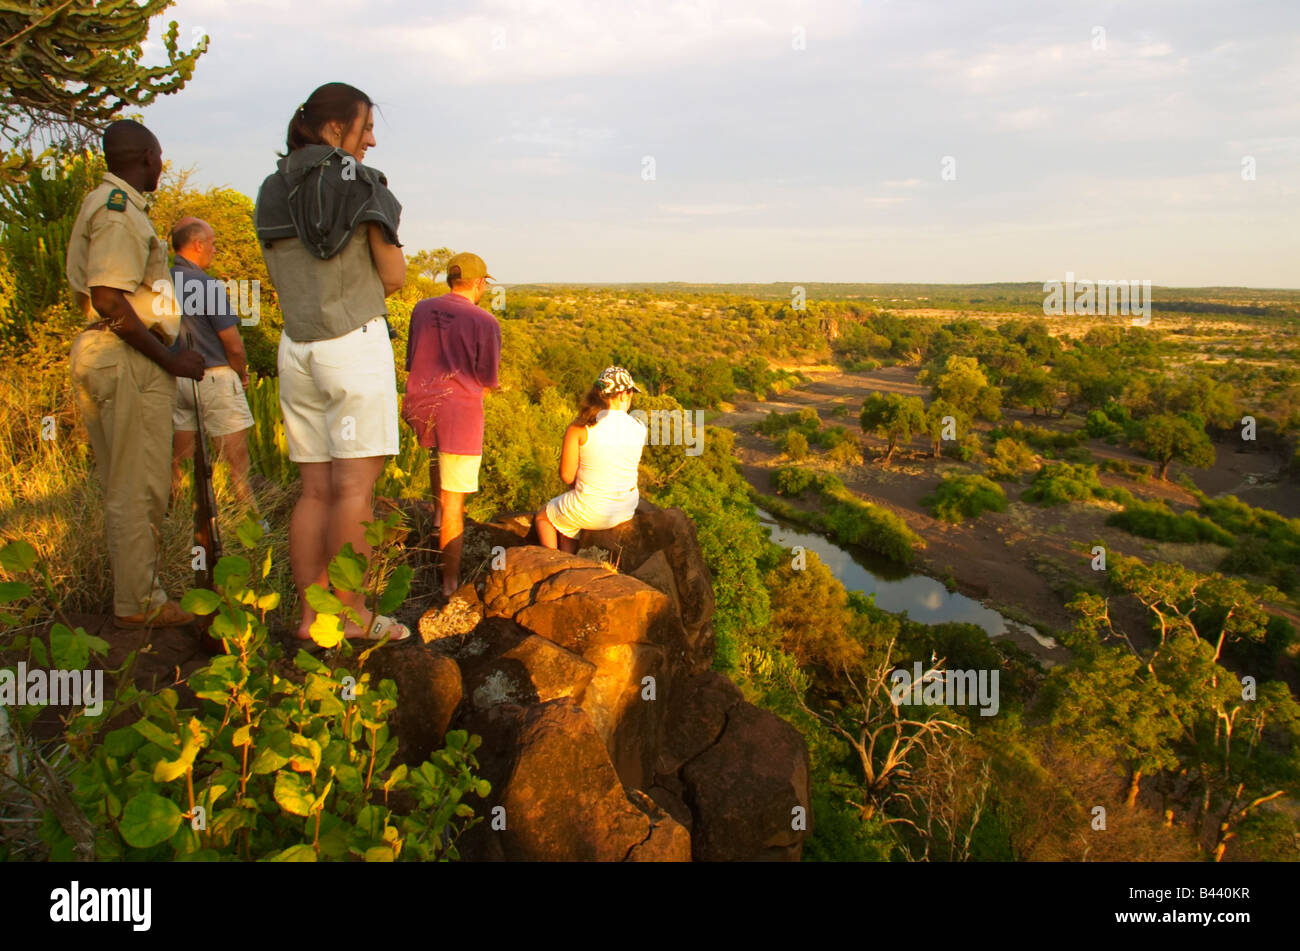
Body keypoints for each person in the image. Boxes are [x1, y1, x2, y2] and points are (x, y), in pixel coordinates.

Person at [254, 82, 410, 644]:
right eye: (365, 127)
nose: (369, 140)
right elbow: (393, 278)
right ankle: (351, 615)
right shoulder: (361, 185)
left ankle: (310, 618)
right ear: (332, 131)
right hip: (352, 344)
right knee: (353, 492)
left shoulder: (273, 188)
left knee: (314, 491)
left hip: (296, 349)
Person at [66, 119, 206, 628]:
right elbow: (108, 297)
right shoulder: (119, 211)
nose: (162, 166)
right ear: (147, 156)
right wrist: (170, 358)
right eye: (159, 156)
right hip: (126, 360)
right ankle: (140, 604)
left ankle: (136, 594)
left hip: (114, 355)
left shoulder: (108, 205)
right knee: (138, 485)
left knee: (125, 481)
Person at [402, 252, 501, 597]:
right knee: (456, 499)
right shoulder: (485, 322)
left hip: (421, 404)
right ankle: (448, 584)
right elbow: (487, 379)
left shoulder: (421, 309)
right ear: (477, 283)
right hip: (458, 415)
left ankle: (434, 522)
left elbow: (412, 360)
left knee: (434, 458)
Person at [167, 217, 258, 510]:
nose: (214, 250)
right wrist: (241, 374)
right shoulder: (207, 285)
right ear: (197, 244)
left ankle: (177, 523)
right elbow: (232, 344)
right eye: (213, 244)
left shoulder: (160, 282)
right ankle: (252, 527)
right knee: (237, 469)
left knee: (178, 464)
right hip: (214, 377)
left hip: (174, 378)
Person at [534, 367, 646, 553]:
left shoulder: (580, 428)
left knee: (543, 517)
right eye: (630, 393)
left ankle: (553, 561)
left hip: (592, 510)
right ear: (623, 395)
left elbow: (566, 476)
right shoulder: (639, 426)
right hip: (626, 508)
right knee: (568, 520)